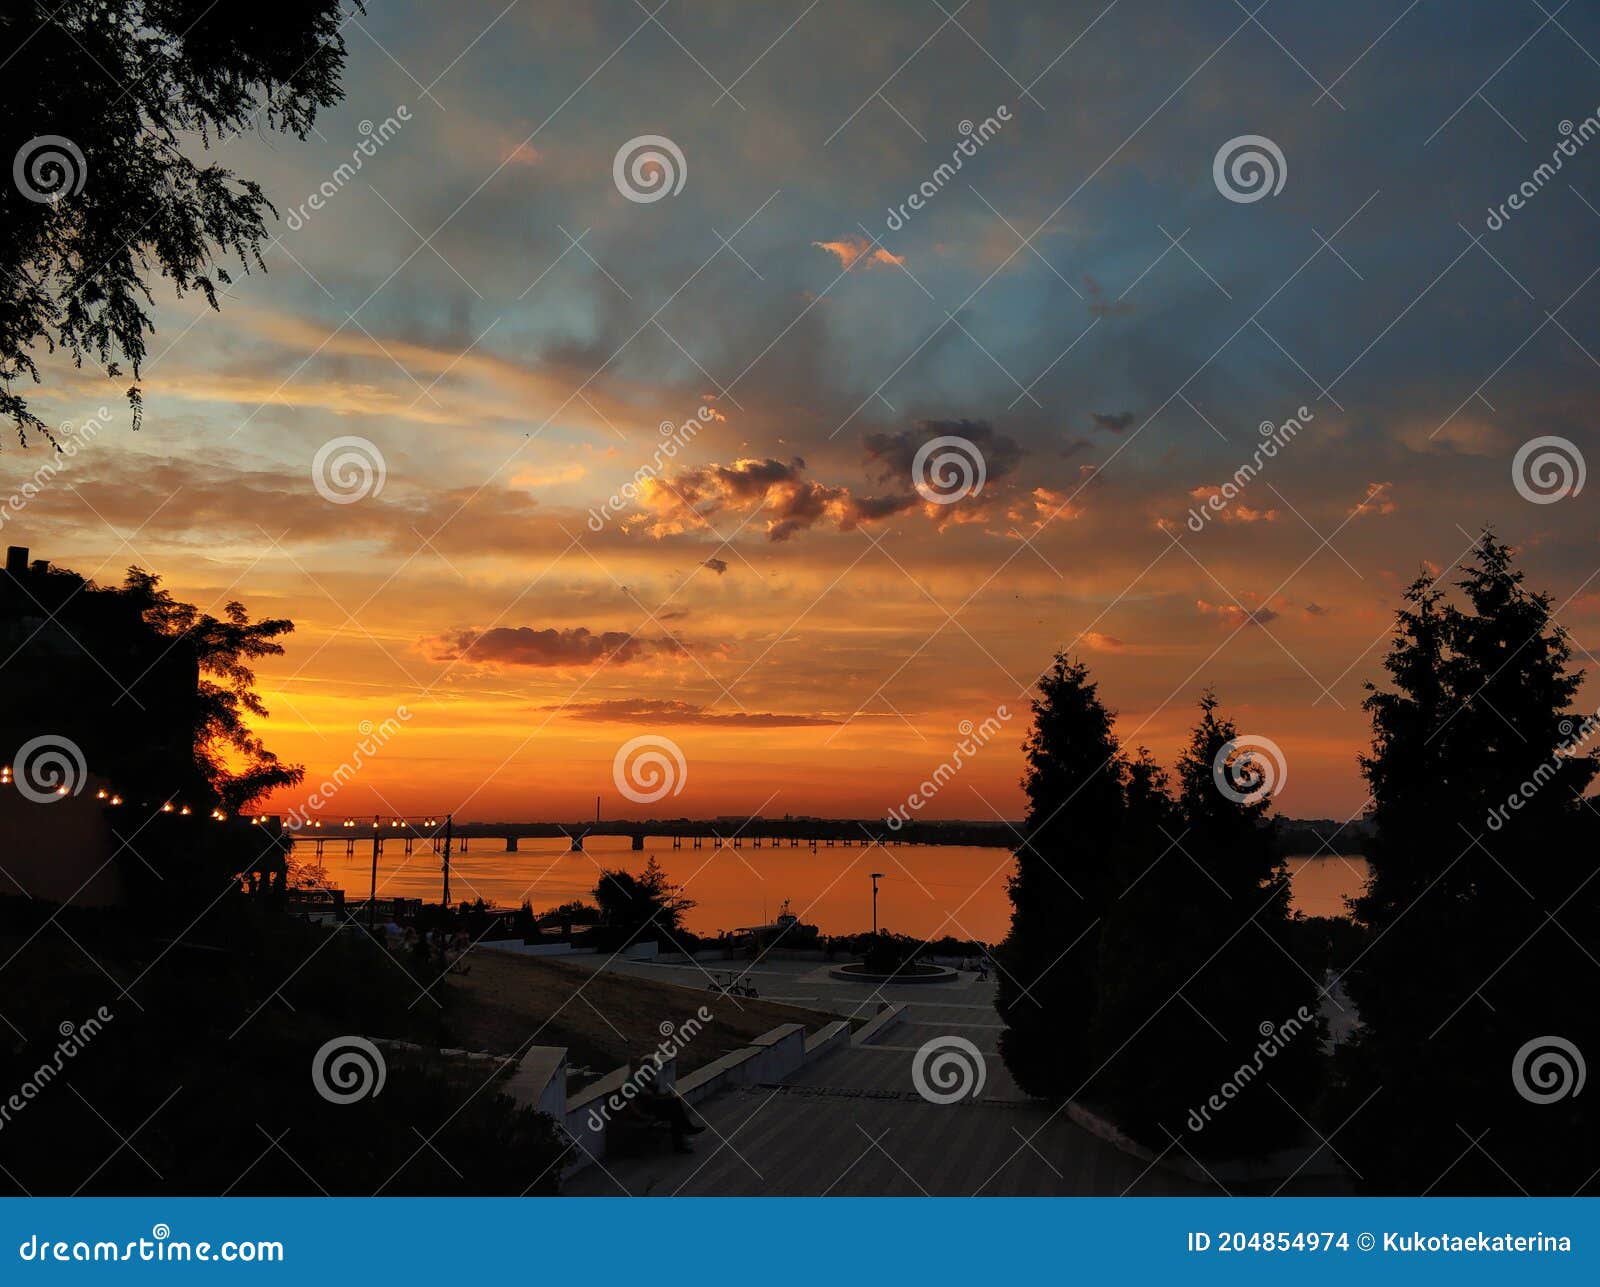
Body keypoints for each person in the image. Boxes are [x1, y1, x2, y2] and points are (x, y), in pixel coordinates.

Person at [634, 1062, 706, 1154]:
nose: (653, 1071)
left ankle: (683, 1138)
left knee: (675, 1110)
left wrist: (665, 1095)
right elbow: (650, 1099)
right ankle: (686, 1132)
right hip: (651, 1111)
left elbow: (656, 1096)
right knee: (675, 1108)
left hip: (656, 1108)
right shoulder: (640, 1083)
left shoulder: (647, 1081)